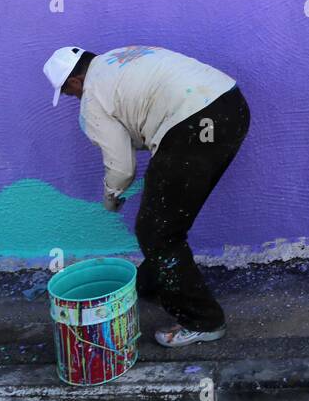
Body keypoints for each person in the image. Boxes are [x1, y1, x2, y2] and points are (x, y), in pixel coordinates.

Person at [42, 44, 250, 347]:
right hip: (230, 108)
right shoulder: (122, 56)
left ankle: (203, 321)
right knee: (168, 219)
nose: (75, 98)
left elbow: (122, 167)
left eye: (70, 94)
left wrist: (111, 197)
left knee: (156, 231)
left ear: (74, 82)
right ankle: (152, 285)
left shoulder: (92, 99)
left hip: (191, 125)